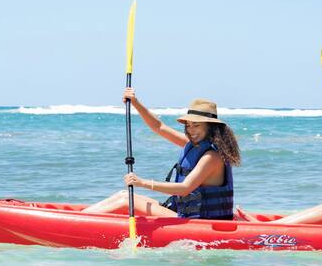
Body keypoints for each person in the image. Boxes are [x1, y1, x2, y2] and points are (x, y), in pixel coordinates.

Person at [83, 90, 242, 220]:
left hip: (200, 220)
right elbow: (159, 126)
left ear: (211, 127)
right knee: (123, 195)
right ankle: (77, 218)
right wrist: (136, 103)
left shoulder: (212, 157)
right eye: (188, 125)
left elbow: (185, 189)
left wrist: (143, 183)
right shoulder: (193, 145)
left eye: (197, 125)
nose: (191, 130)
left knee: (127, 200)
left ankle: (73, 222)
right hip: (183, 213)